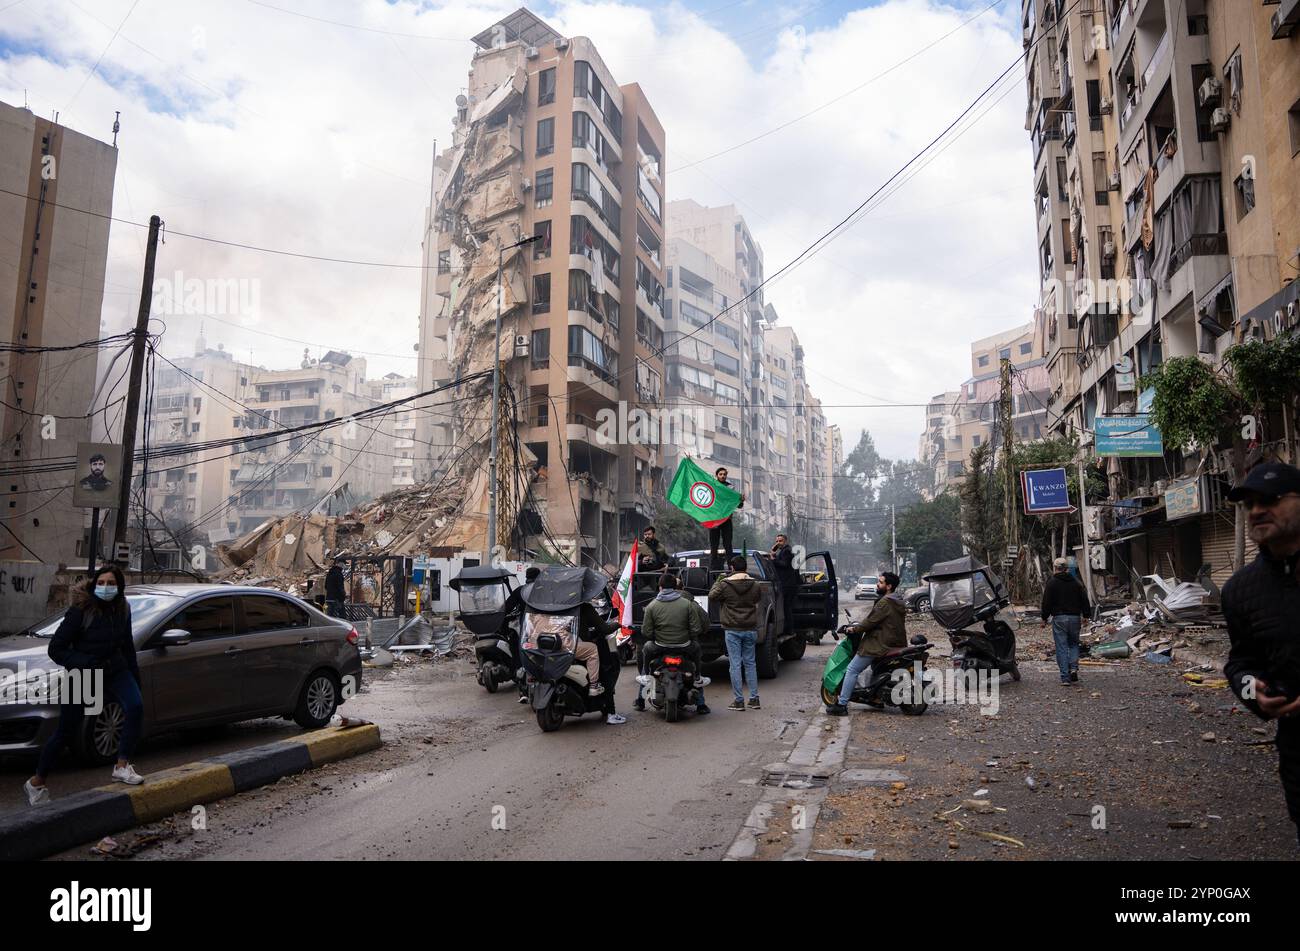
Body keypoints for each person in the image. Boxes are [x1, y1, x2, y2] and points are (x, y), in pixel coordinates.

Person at [1222, 462, 1300, 844]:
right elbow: (1241, 664)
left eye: (1269, 499)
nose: (1255, 510)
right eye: (1249, 504)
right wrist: (1255, 692)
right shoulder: (1240, 591)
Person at [24, 565, 145, 805]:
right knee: (66, 732)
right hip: (84, 674)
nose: (106, 587)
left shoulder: (123, 608)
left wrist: (135, 678)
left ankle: (122, 766)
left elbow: (127, 646)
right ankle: (36, 782)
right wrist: (86, 662)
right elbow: (56, 649)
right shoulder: (81, 610)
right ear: (94, 585)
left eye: (111, 583)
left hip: (115, 670)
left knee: (135, 706)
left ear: (119, 587)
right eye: (101, 583)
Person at [827, 571, 906, 716]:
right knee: (875, 669)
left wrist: (853, 628)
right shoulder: (898, 600)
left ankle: (842, 704)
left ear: (889, 586)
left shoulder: (885, 602)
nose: (877, 584)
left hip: (881, 643)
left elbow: (870, 622)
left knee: (852, 669)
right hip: (896, 641)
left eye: (881, 582)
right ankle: (875, 698)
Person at [636, 573, 710, 714]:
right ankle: (701, 700)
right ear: (675, 588)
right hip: (684, 646)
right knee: (696, 659)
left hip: (659, 646)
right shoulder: (688, 604)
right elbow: (696, 629)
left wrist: (657, 637)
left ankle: (641, 700)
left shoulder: (652, 605)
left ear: (660, 587)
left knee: (646, 653)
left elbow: (646, 631)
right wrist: (686, 637)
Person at [709, 555, 763, 711]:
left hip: (732, 629)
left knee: (735, 664)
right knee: (750, 663)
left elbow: (712, 596)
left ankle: (739, 700)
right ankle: (754, 699)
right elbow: (756, 599)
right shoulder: (755, 584)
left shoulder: (724, 584)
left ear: (731, 568)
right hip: (750, 628)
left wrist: (719, 580)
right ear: (745, 568)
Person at [1040, 556, 1091, 685]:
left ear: (1055, 568)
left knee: (1061, 647)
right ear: (1066, 569)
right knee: (1073, 644)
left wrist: (1044, 618)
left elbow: (1046, 602)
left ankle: (1065, 677)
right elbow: (1084, 599)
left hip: (1059, 619)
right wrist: (1086, 615)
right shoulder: (1076, 582)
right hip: (1074, 618)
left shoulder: (1051, 583)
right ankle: (1073, 668)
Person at [576, 598, 626, 725]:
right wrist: (619, 623)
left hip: (559, 648)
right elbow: (604, 629)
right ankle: (611, 712)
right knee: (606, 672)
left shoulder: (557, 607)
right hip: (579, 646)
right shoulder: (585, 607)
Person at [504, 566, 542, 703]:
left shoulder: (520, 591)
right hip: (545, 631)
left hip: (526, 631)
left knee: (522, 659)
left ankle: (523, 691)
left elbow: (506, 607)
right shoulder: (543, 591)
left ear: (526, 577)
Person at [707, 467, 745, 570]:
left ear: (726, 475)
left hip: (726, 520)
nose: (723, 476)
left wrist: (741, 500)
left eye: (724, 474)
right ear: (717, 475)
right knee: (713, 545)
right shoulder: (712, 486)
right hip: (714, 520)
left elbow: (739, 505)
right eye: (720, 474)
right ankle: (712, 568)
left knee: (728, 544)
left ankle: (730, 567)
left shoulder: (730, 487)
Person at [771, 533, 800, 639]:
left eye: (780, 541)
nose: (778, 543)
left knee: (786, 608)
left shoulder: (787, 551)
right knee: (785, 608)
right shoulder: (783, 550)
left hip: (787, 585)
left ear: (785, 541)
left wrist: (773, 559)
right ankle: (788, 629)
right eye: (777, 541)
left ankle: (789, 629)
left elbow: (784, 564)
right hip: (786, 583)